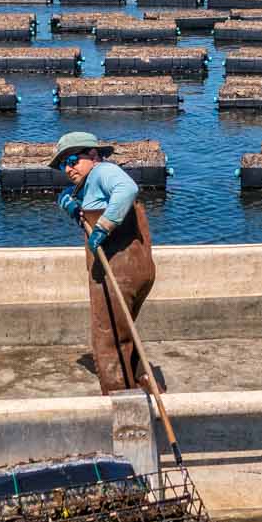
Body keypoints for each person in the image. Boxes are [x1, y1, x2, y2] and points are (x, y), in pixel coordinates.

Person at [52, 131, 156, 394]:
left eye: (73, 160)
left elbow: (128, 189)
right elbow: (92, 204)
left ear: (93, 155)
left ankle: (119, 395)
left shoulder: (102, 171)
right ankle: (141, 379)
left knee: (107, 335)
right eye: (64, 165)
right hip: (133, 268)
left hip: (117, 269)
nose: (68, 169)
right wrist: (74, 206)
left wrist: (103, 227)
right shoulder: (90, 183)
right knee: (123, 329)